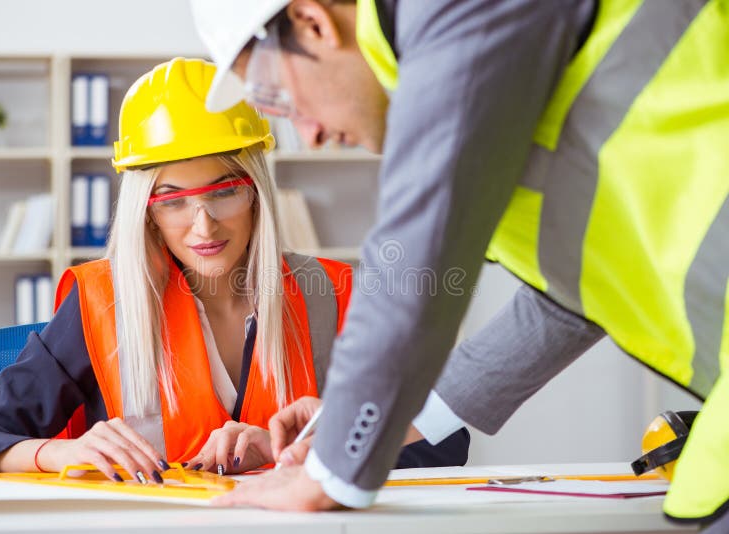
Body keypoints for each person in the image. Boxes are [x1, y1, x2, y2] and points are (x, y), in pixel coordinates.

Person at [190, 0, 729, 527]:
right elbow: (570, 298)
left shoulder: (453, 11)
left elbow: (419, 233)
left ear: (313, 21)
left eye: (276, 95)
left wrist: (332, 472)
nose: (309, 134)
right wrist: (350, 429)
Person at [0, 57, 470, 481]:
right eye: (172, 200)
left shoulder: (329, 293)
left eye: (224, 192)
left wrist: (316, 447)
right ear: (144, 210)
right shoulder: (102, 302)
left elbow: (446, 439)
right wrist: (62, 453)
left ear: (257, 192)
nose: (203, 227)